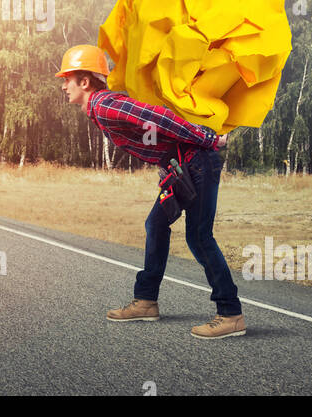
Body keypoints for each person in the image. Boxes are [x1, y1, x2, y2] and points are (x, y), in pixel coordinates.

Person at [56, 44, 246, 340]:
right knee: (155, 224)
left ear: (84, 81)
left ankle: (230, 313)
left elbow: (158, 118)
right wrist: (167, 171)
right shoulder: (99, 109)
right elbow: (154, 137)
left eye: (67, 78)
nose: (63, 85)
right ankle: (146, 301)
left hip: (197, 161)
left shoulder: (104, 105)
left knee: (199, 237)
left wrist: (208, 138)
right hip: (182, 166)